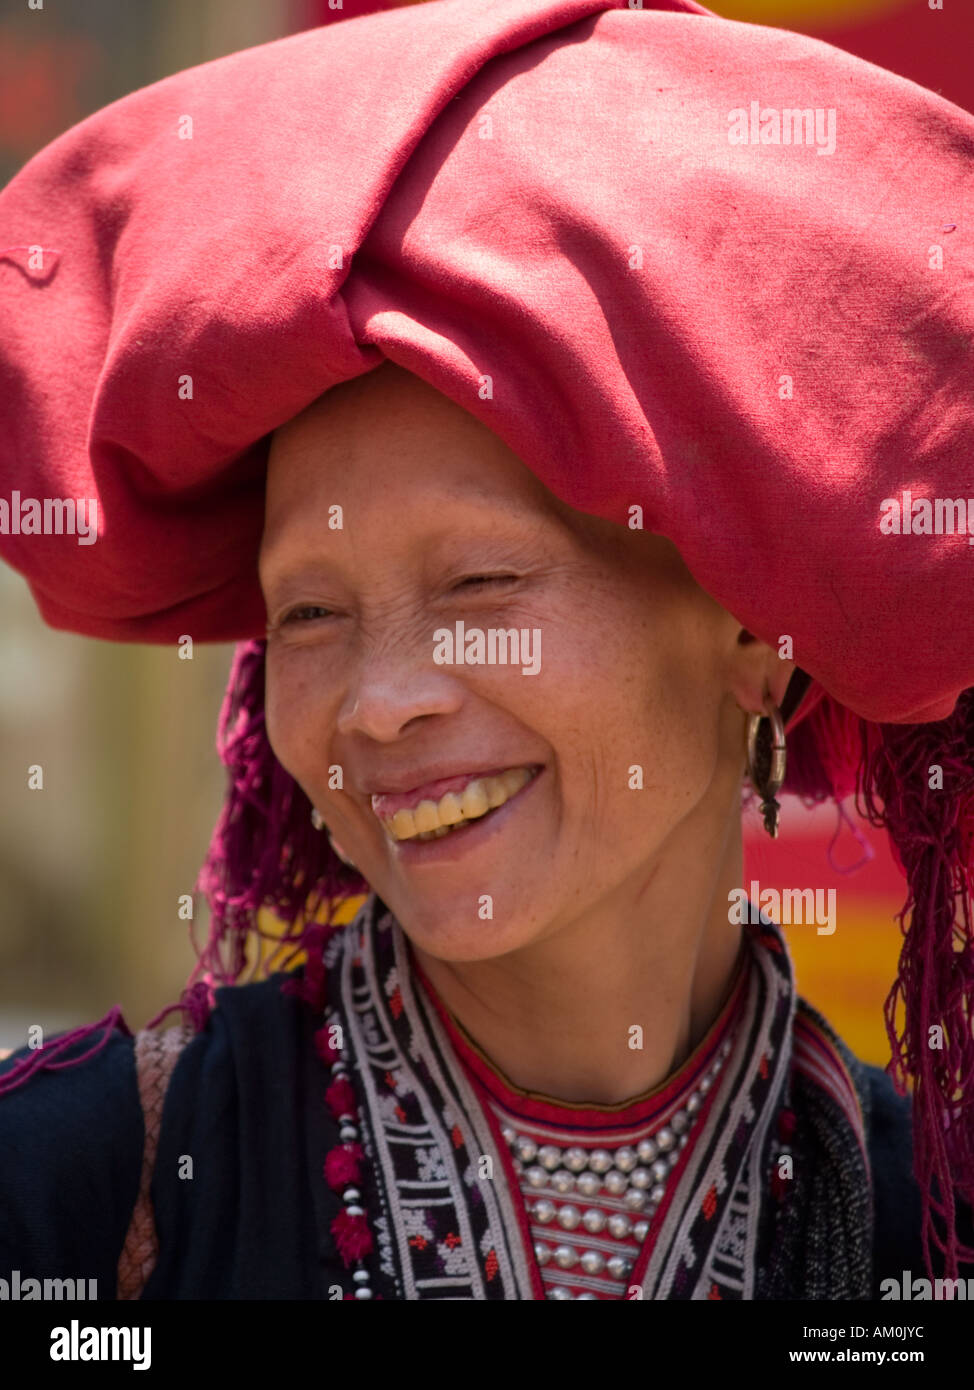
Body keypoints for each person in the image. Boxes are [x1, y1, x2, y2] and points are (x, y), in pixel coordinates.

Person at [1, 0, 973, 1301]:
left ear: (750, 630)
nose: (380, 701)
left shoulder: (925, 1233)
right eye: (310, 612)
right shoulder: (79, 1190)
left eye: (480, 581)